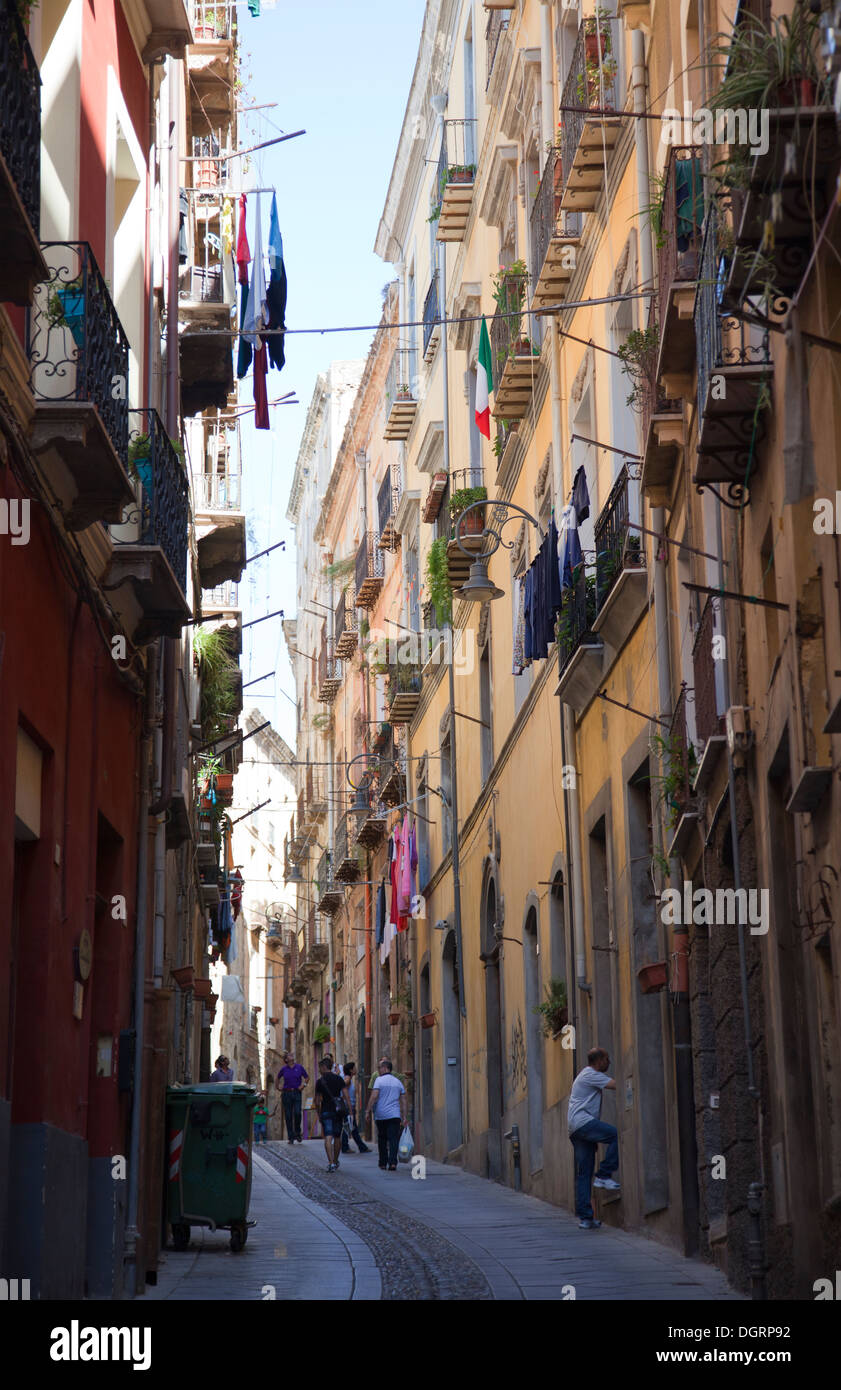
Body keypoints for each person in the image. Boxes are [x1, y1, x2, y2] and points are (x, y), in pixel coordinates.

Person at [568, 1047, 620, 1229]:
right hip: (583, 1123)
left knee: (584, 1173)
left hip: (575, 1127)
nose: (609, 1063)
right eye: (607, 1059)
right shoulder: (591, 1074)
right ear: (599, 1061)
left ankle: (586, 1218)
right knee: (616, 1135)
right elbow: (616, 1085)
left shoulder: (584, 1074)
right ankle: (604, 1174)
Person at [364, 1057, 407, 1171]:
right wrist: (404, 1116)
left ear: (386, 1068)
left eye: (380, 1067)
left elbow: (374, 1096)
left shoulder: (379, 1080)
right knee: (393, 1139)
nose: (378, 1070)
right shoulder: (398, 1082)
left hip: (381, 1115)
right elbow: (403, 1101)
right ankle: (393, 1163)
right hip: (395, 1115)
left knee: (382, 1138)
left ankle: (383, 1163)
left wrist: (367, 1111)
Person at [314, 1055, 349, 1172]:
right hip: (338, 1111)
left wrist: (318, 1113)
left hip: (326, 1110)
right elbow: (346, 1095)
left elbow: (317, 1101)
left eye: (320, 1068)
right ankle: (335, 1160)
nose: (319, 1070)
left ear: (324, 1067)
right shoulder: (339, 1079)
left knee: (328, 1136)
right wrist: (349, 1109)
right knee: (337, 1136)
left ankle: (330, 1163)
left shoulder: (320, 1081)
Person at [277, 1051, 308, 1144]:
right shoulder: (283, 1069)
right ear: (286, 1059)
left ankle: (297, 1132)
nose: (292, 1055)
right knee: (288, 1115)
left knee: (298, 1112)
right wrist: (278, 1087)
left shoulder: (299, 1067)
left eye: (292, 1055)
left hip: (297, 1092)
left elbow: (307, 1077)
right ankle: (291, 1137)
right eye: (290, 1055)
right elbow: (277, 1078)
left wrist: (303, 1085)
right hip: (286, 1093)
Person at [341, 1062, 370, 1154]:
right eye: (354, 1068)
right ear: (351, 1070)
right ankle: (346, 1147)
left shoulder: (349, 1079)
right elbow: (342, 1088)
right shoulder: (348, 1079)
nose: (356, 1069)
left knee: (352, 1127)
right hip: (348, 1106)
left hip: (348, 1106)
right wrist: (349, 1107)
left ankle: (361, 1147)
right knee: (348, 1126)